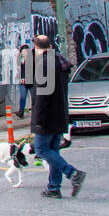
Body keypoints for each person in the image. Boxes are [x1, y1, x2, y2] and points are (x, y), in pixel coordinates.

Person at [30, 34, 85, 199]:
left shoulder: (44, 64)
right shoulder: (59, 62)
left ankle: (72, 173)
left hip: (47, 118)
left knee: (41, 149)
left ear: (37, 48)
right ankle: (54, 187)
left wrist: (37, 120)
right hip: (60, 114)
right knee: (53, 150)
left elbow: (42, 95)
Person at [16, 42, 35, 118]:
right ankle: (21, 111)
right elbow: (19, 71)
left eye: (26, 51)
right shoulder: (19, 60)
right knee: (23, 96)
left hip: (31, 81)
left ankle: (35, 112)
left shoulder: (32, 59)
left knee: (34, 97)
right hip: (22, 81)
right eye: (23, 51)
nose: (24, 53)